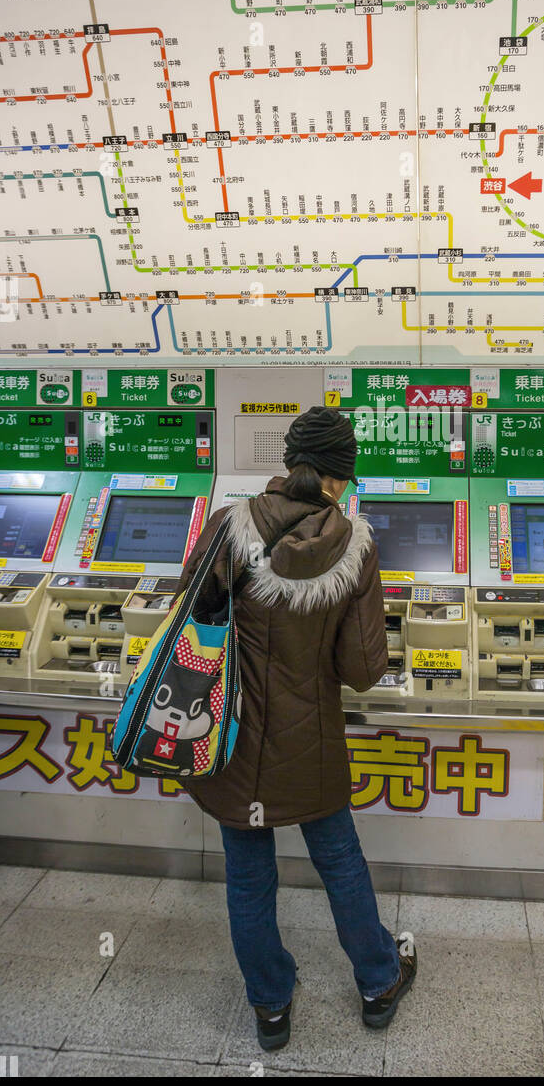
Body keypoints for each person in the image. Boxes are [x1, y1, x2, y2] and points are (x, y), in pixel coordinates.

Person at [172, 405, 417, 1051]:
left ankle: (271, 1006)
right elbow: (363, 669)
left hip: (229, 737)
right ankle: (377, 981)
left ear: (289, 463)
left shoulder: (230, 525)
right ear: (340, 476)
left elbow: (187, 613)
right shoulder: (356, 546)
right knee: (339, 858)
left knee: (248, 873)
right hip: (309, 743)